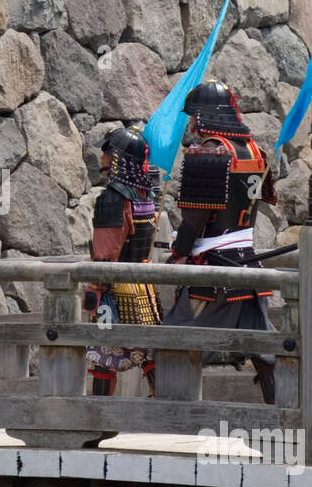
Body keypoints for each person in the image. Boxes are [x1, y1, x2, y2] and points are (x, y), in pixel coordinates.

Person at [162, 78, 279, 403]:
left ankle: (171, 417)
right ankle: (281, 412)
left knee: (173, 337)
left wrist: (179, 253)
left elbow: (194, 221)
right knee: (264, 350)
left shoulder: (210, 152)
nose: (192, 124)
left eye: (193, 117)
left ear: (204, 115)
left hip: (212, 271)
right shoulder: (256, 153)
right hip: (248, 266)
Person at [83, 124, 161, 396]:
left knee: (102, 357)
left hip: (116, 291)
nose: (102, 159)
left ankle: (97, 418)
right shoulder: (147, 195)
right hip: (145, 287)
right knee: (150, 357)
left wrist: (94, 289)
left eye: (106, 154)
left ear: (117, 159)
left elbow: (106, 254)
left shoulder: (113, 198)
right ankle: (170, 411)